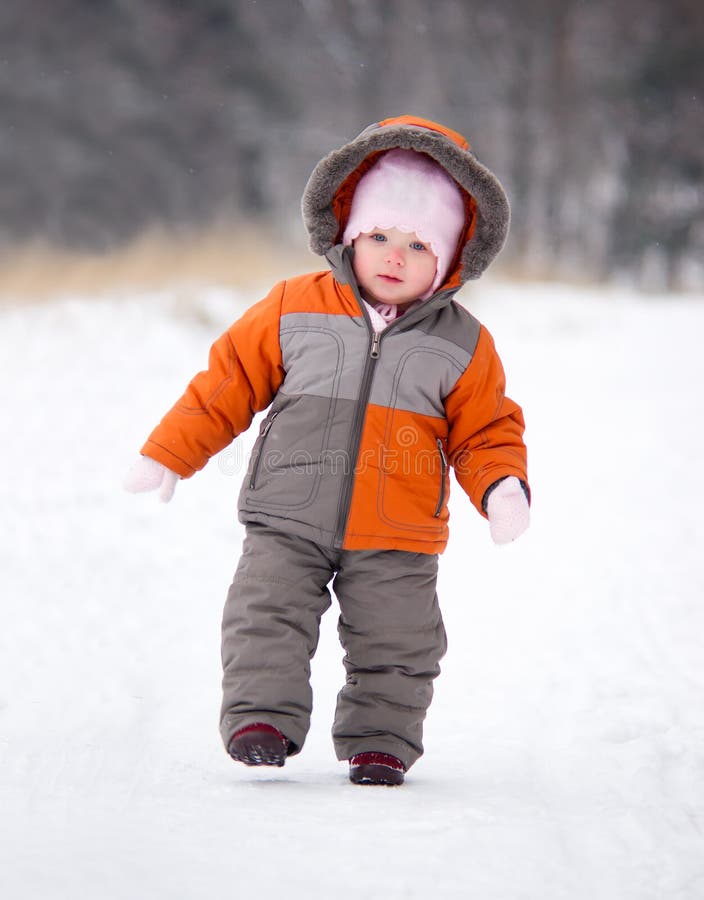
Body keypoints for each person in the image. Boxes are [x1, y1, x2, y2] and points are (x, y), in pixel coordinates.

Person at [124, 114, 530, 786]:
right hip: (289, 513)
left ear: (451, 256)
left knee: (399, 642)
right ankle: (262, 721)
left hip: (398, 531)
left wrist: (501, 487)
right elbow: (227, 384)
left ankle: (382, 742)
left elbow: (486, 430)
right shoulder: (292, 307)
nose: (394, 256)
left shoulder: (463, 344)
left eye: (418, 244)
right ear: (350, 233)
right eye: (379, 236)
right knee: (265, 613)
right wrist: (171, 451)